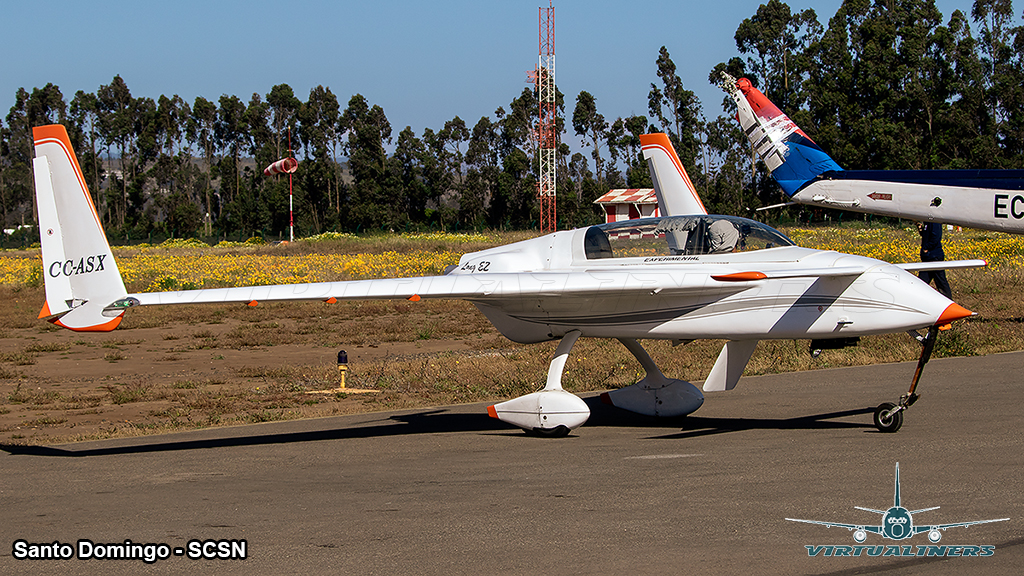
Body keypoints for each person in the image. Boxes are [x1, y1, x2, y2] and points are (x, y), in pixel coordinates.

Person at [917, 221, 952, 299]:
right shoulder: (927, 223)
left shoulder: (934, 222)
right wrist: (920, 229)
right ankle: (918, 300)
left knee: (940, 281)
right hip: (928, 257)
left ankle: (948, 300)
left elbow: (936, 236)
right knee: (922, 281)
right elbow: (925, 235)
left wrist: (926, 247)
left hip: (934, 256)